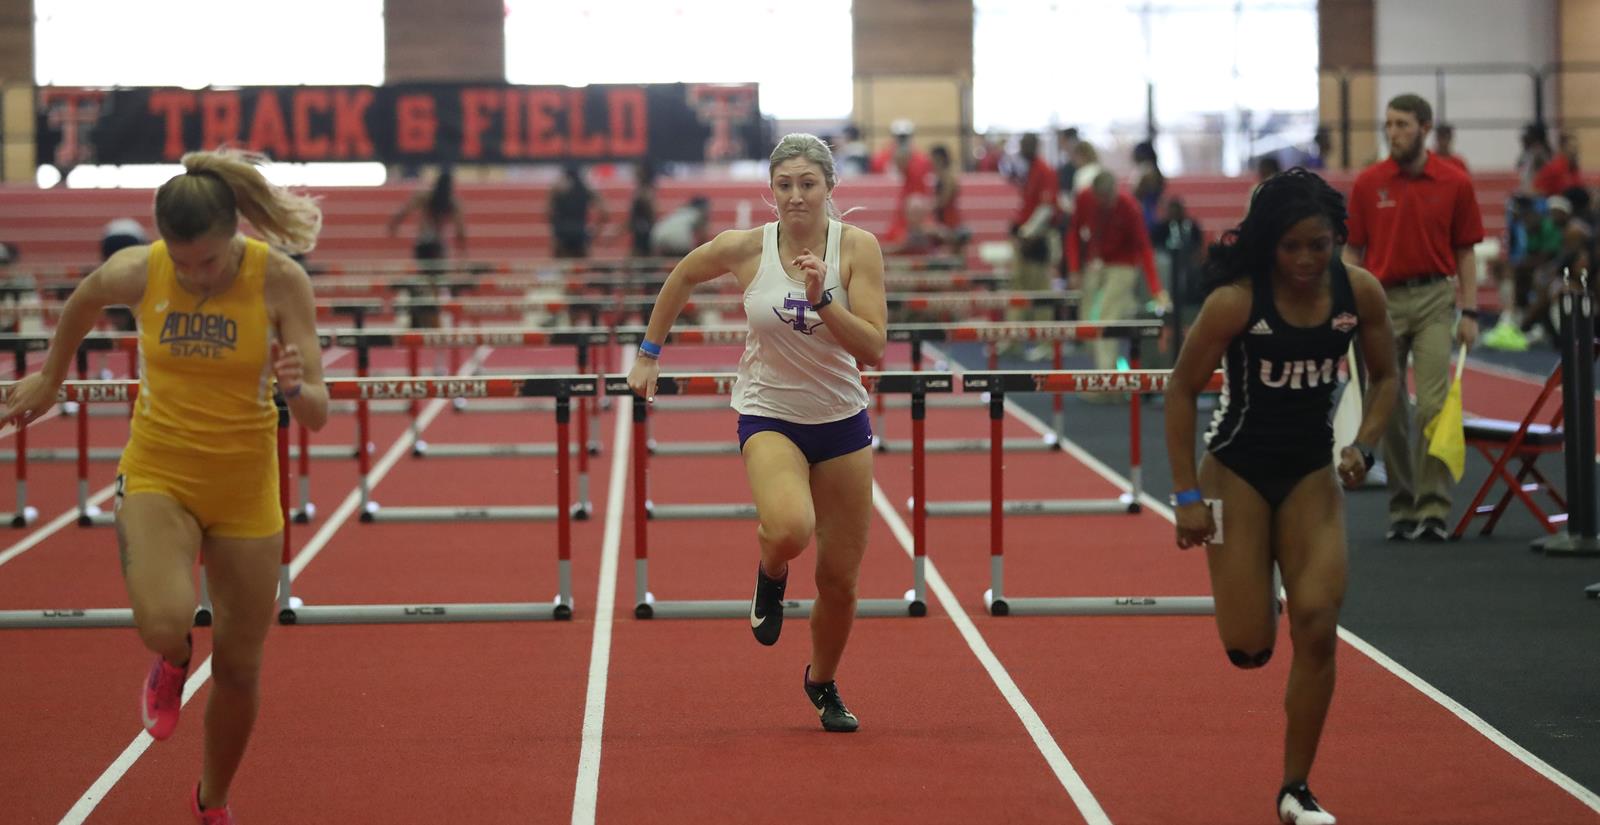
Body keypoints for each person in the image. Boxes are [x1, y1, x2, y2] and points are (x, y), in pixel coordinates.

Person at [3, 148, 330, 824]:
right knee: (164, 620)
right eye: (181, 263)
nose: (193, 276)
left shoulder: (280, 280)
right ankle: (174, 657)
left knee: (240, 665)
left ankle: (212, 799)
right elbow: (84, 297)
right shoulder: (142, 269)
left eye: (207, 263)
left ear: (236, 232)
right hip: (160, 470)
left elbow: (318, 413)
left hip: (245, 487)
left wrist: (297, 385)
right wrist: (51, 374)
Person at [626, 133, 885, 734]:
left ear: (829, 187)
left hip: (842, 420)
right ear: (771, 192)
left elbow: (872, 346)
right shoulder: (747, 249)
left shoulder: (858, 249)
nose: (796, 197)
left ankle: (822, 682)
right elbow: (683, 277)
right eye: (785, 186)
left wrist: (824, 300)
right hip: (769, 413)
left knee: (841, 582)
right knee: (792, 528)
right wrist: (648, 353)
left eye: (808, 185)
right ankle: (771, 573)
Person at [1165, 168, 1398, 825]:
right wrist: (1184, 492)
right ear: (1269, 243)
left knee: (1319, 623)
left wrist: (1367, 444)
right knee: (1249, 647)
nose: (1304, 259)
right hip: (1232, 471)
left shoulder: (1361, 294)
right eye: (1291, 245)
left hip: (1309, 473)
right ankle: (1250, 578)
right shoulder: (1237, 302)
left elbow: (1385, 377)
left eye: (1318, 245)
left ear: (1337, 240)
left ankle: (1296, 788)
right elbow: (1181, 390)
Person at [1344, 93, 1483, 542]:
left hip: (1433, 299)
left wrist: (1471, 309)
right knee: (1388, 409)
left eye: (1402, 124)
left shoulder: (1454, 182)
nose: (1393, 133)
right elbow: (1353, 250)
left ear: (1425, 128)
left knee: (1432, 405)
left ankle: (1434, 507)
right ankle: (1402, 506)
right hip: (1381, 302)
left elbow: (1465, 251)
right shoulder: (1368, 184)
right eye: (1388, 125)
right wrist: (1348, 299)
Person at [387, 168, 467, 328]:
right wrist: (463, 254)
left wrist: (394, 225)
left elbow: (404, 210)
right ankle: (433, 323)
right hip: (437, 247)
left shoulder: (425, 196)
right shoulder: (451, 202)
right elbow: (460, 231)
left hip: (422, 245)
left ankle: (420, 320)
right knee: (435, 286)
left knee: (422, 285)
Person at [549, 162, 608, 258]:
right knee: (582, 270)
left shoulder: (556, 188)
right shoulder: (587, 187)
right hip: (581, 232)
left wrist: (556, 228)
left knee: (561, 269)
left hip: (562, 233)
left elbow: (547, 212)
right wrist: (595, 232)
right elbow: (605, 213)